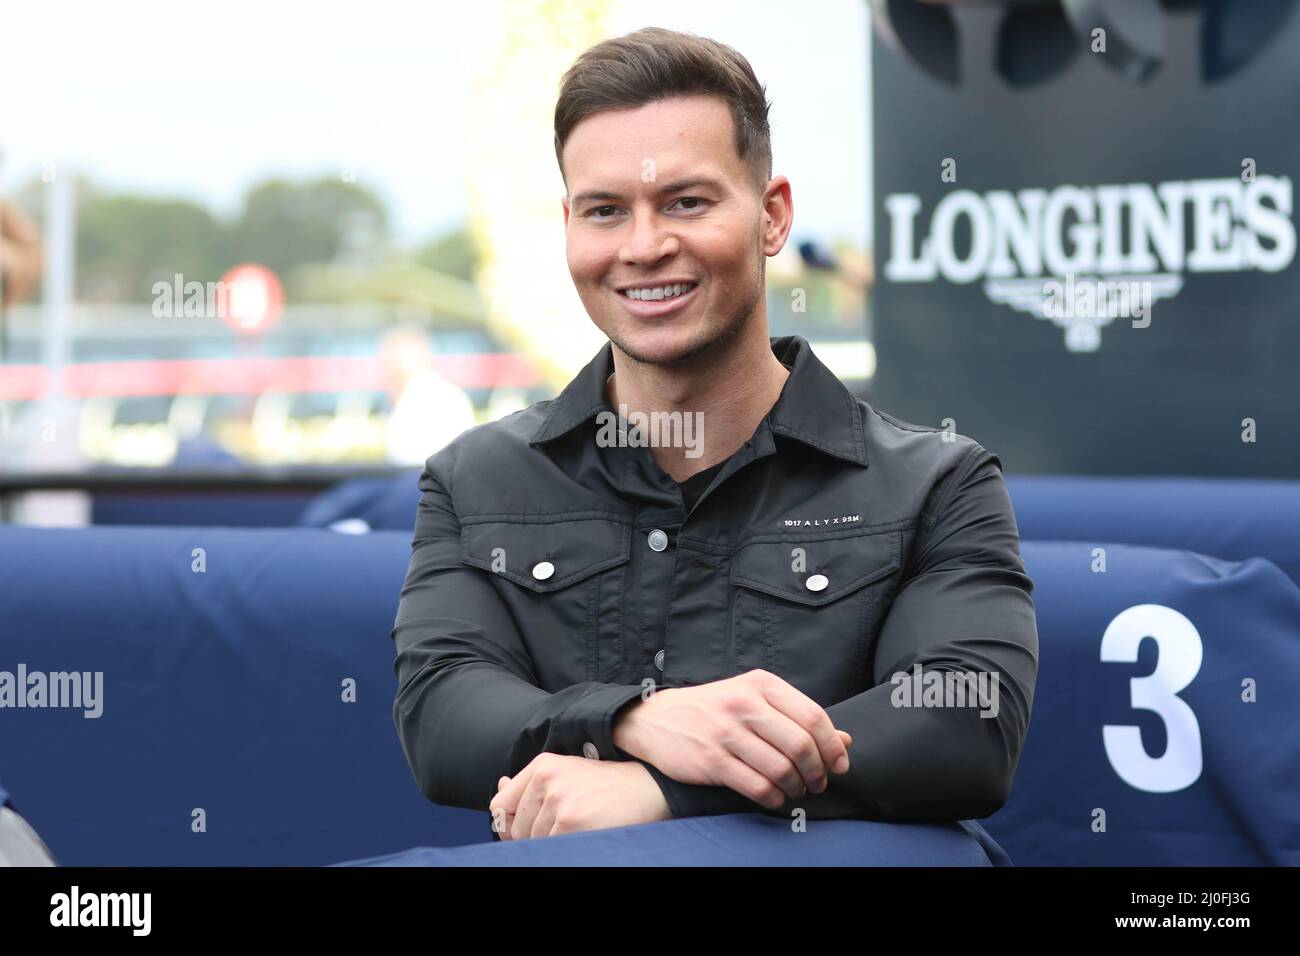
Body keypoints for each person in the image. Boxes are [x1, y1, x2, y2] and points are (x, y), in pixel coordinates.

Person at [391, 27, 1038, 842]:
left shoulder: (937, 484)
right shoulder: (473, 479)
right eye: (604, 211)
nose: (643, 245)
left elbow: (965, 722)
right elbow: (440, 712)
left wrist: (667, 792)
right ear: (568, 227)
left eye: (686, 202)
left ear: (772, 218)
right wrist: (633, 721)